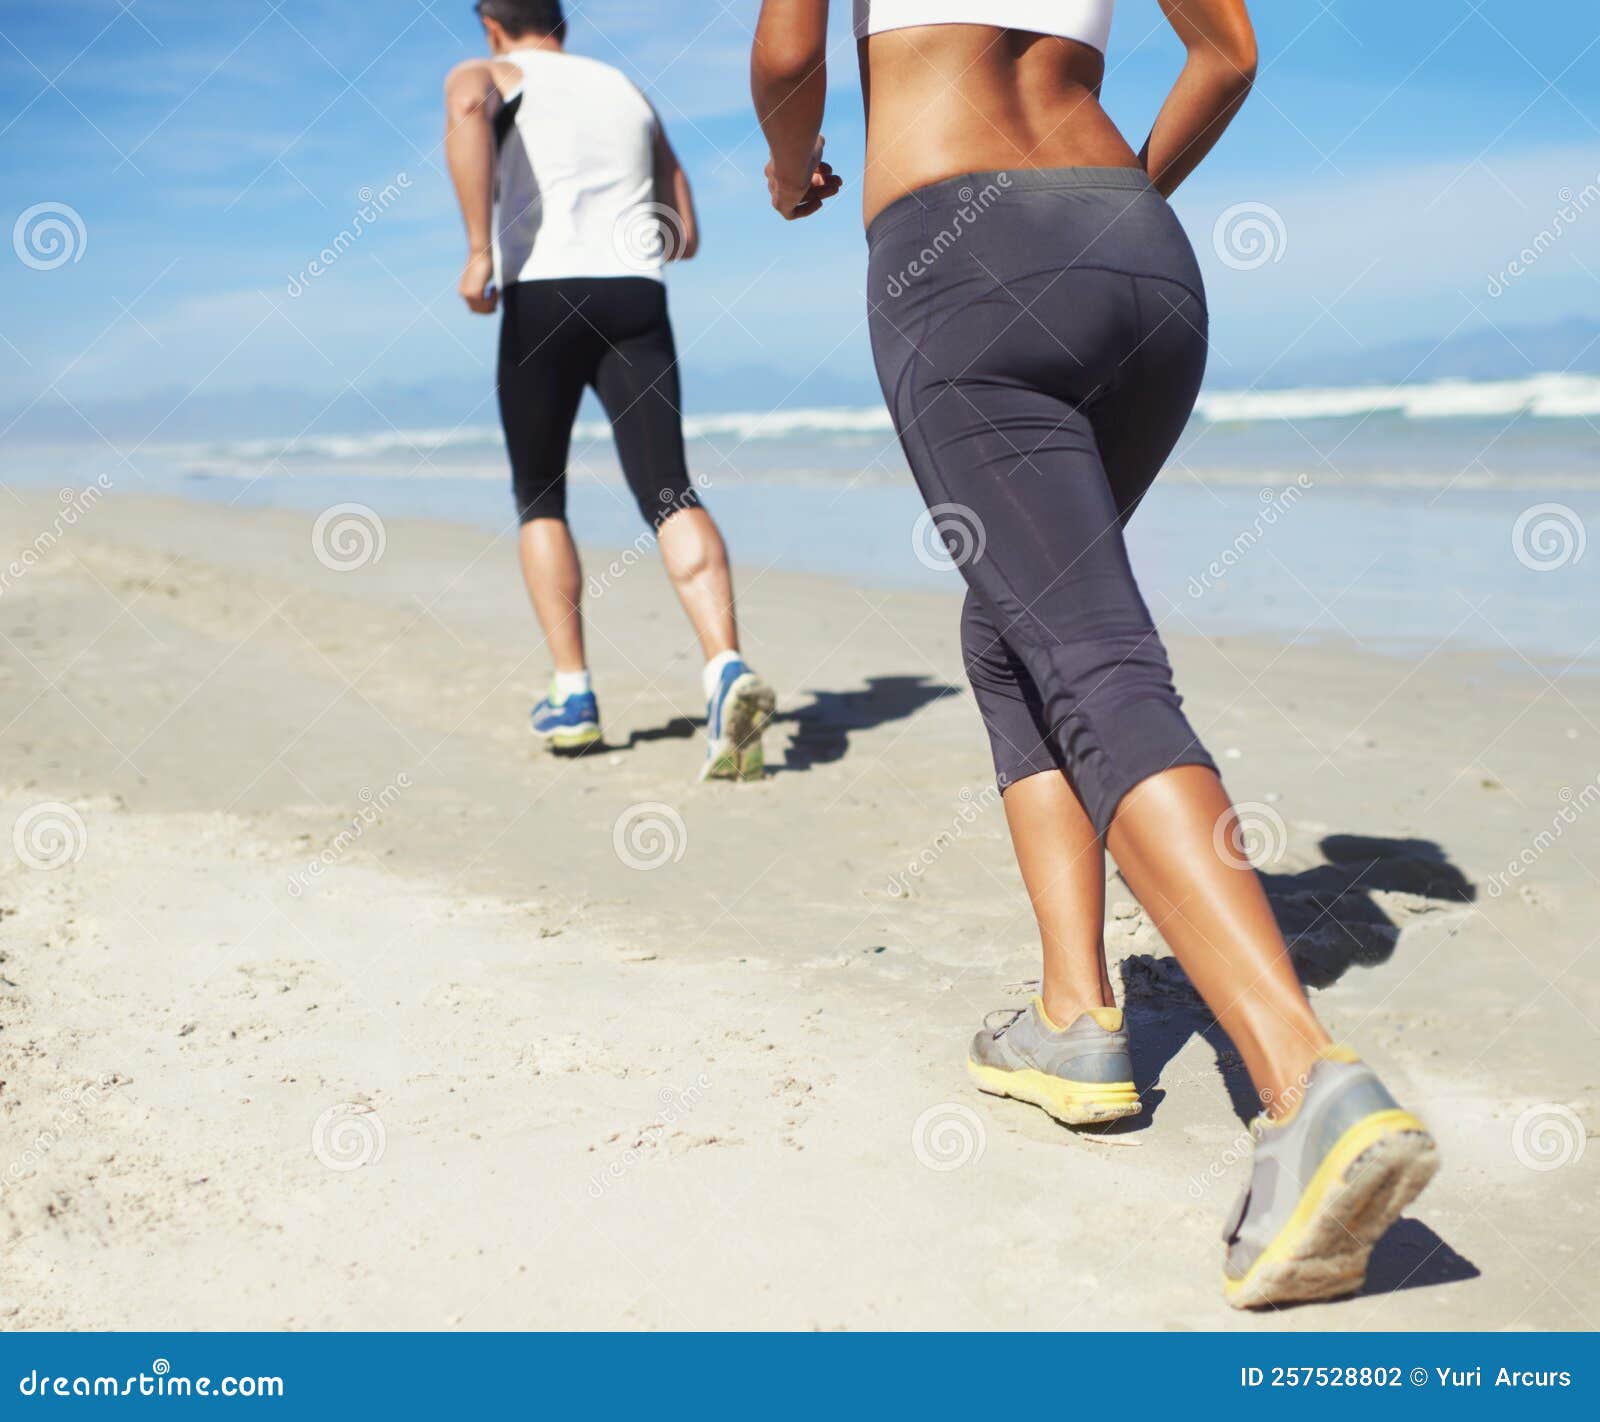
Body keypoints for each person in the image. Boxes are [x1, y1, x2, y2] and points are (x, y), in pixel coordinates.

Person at [751, 0, 1438, 1308]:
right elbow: (1227, 51)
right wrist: (1102, 214)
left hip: (958, 256)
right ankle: (1077, 1014)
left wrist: (794, 173)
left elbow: (786, 60)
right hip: (1137, 252)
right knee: (1018, 622)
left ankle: (1308, 1084)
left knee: (1088, 653)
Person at [444, 0, 775, 779]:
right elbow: (682, 230)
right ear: (559, 20)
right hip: (635, 296)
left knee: (540, 495)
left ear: (492, 23)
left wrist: (476, 249)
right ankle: (725, 666)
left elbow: (465, 108)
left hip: (543, 297)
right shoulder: (626, 88)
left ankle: (574, 696)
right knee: (667, 489)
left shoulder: (487, 70)